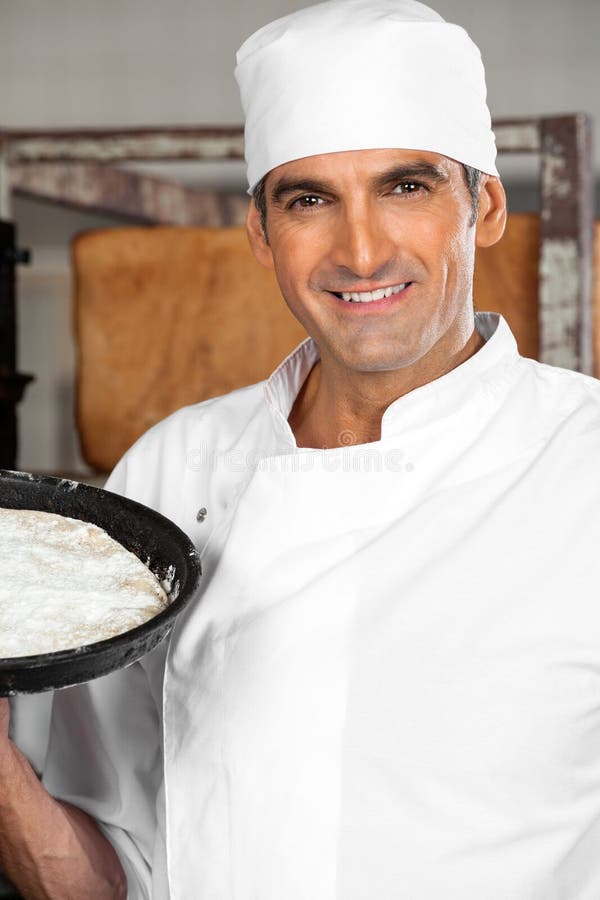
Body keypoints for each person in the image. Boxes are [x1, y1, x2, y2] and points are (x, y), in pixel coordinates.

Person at [2, 0, 600, 897]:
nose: (360, 251)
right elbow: (103, 879)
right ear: (261, 233)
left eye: (406, 187)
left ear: (484, 206)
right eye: (310, 199)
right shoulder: (169, 477)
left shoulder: (581, 462)